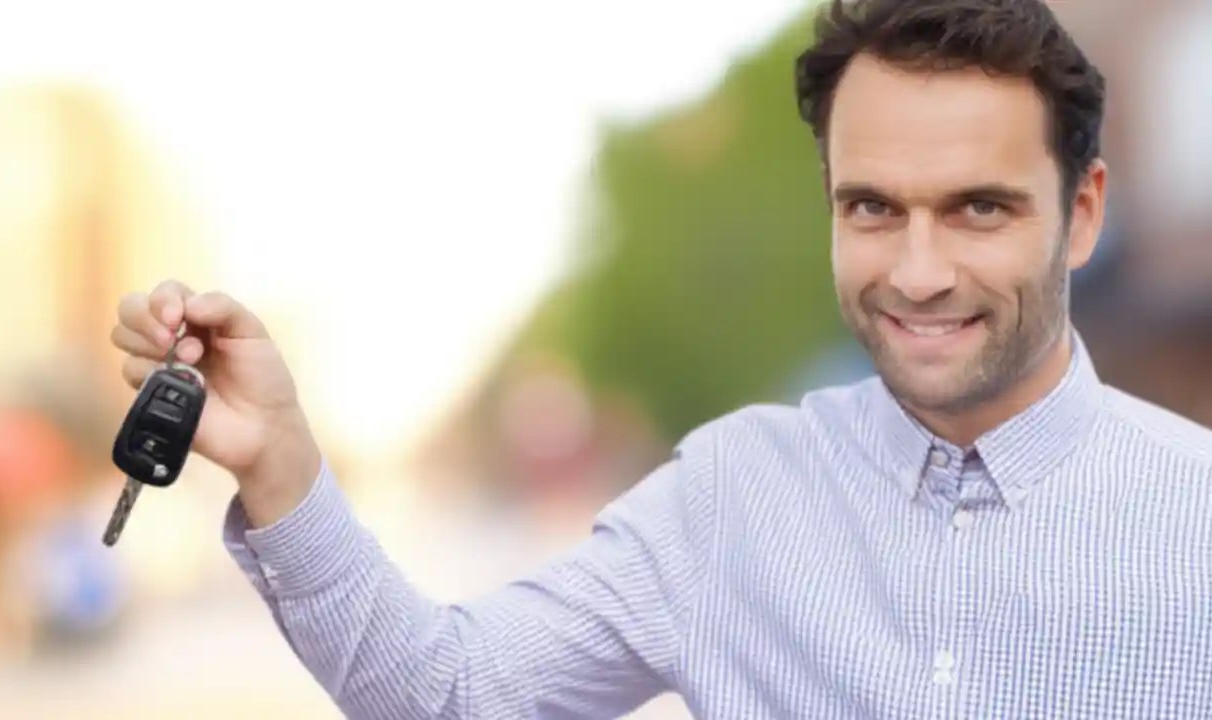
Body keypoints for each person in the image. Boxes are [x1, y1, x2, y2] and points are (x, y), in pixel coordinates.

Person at [109, 0, 1212, 717]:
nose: (918, 272)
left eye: (977, 209)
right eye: (873, 207)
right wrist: (282, 460)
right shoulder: (730, 494)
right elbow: (451, 694)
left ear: (1080, 214)